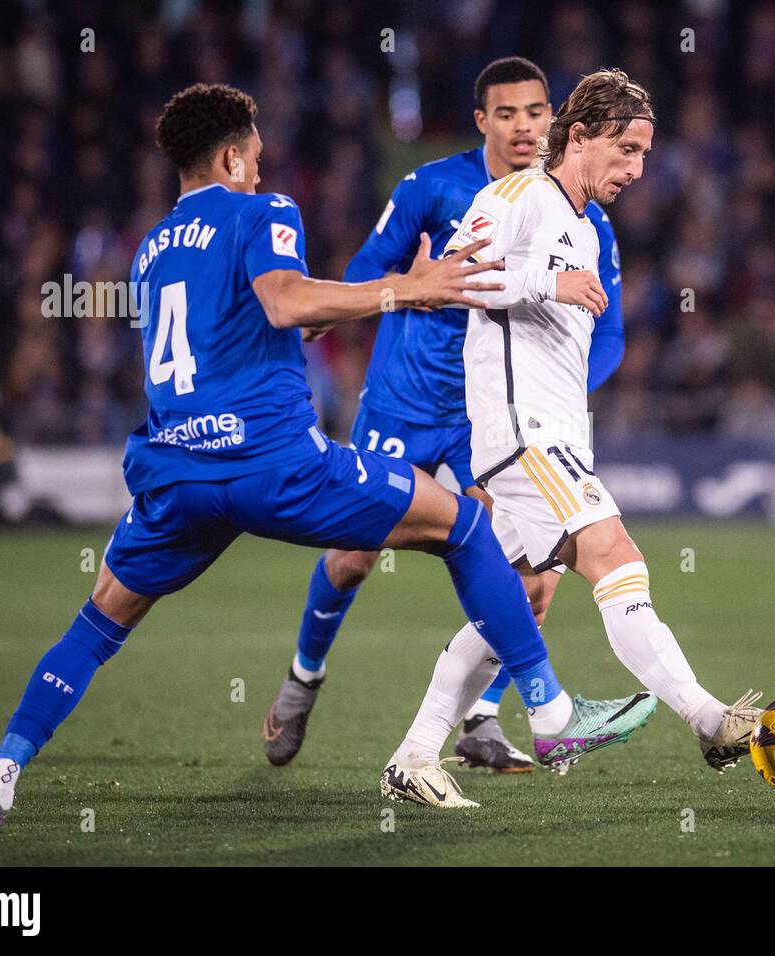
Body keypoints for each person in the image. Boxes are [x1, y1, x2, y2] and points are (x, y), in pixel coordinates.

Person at [0, 82, 656, 833]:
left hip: (177, 474)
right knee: (468, 531)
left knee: (97, 624)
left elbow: (261, 326)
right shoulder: (264, 210)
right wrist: (404, 289)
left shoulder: (151, 250)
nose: (260, 169)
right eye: (253, 157)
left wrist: (329, 314)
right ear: (231, 156)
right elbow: (285, 301)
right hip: (277, 465)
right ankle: (549, 711)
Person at [383, 69, 762, 807]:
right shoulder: (516, 195)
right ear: (579, 135)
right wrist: (544, 286)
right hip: (523, 434)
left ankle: (415, 754)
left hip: (548, 435)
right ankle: (711, 719)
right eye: (625, 150)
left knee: (517, 603)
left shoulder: (586, 229)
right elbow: (448, 279)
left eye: (645, 155)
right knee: (617, 556)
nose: (636, 170)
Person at [264, 57, 626, 775]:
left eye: (537, 111)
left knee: (533, 573)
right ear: (482, 121)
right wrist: (368, 300)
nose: (526, 126)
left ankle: (482, 719)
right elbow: (370, 268)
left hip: (487, 419)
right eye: (508, 113)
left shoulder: (582, 212)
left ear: (555, 118)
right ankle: (305, 676)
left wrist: (554, 390)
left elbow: (607, 328)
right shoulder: (430, 187)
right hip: (402, 401)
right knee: (352, 557)